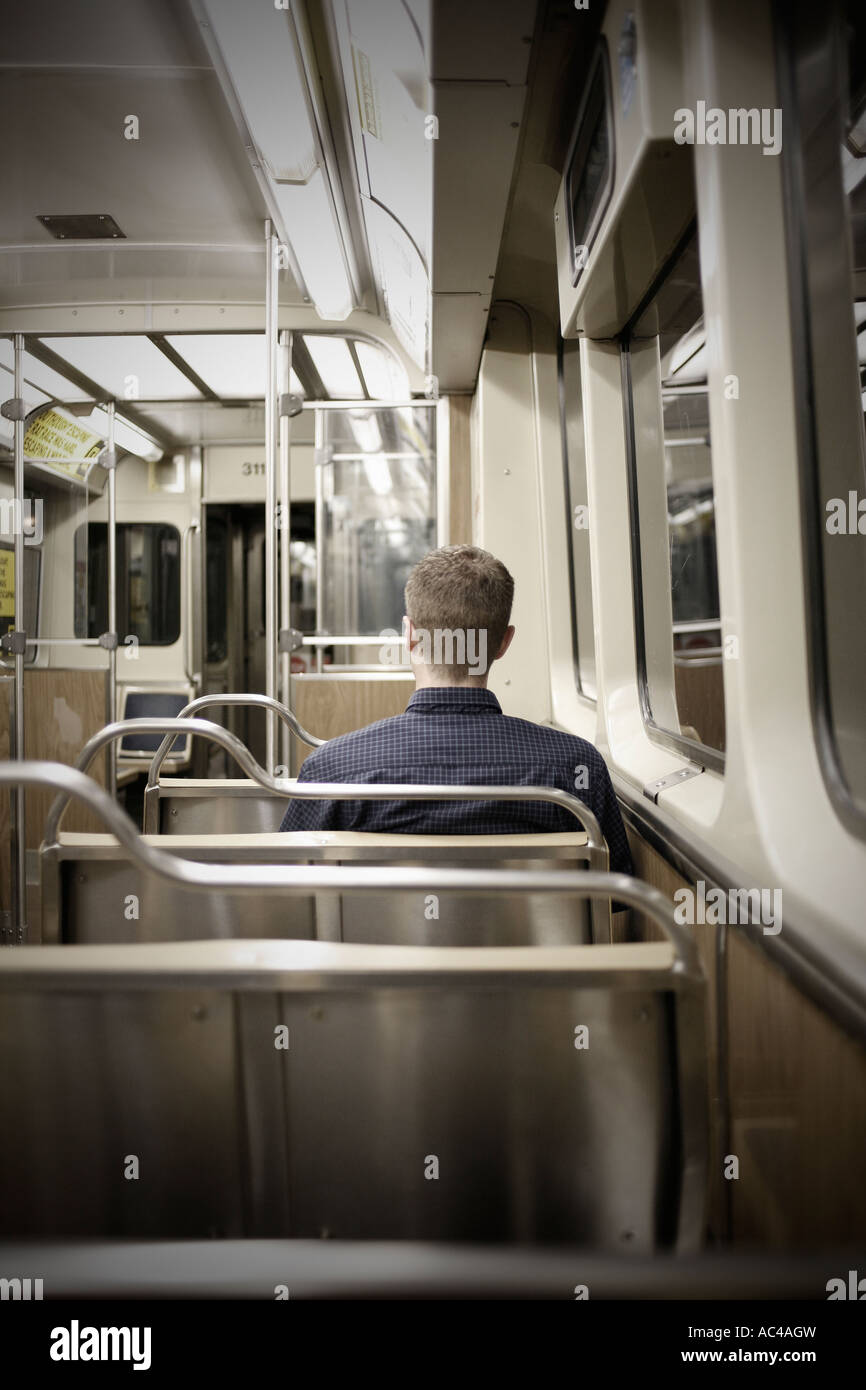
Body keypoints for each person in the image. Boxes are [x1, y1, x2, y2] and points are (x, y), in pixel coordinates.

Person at [280, 545, 633, 876]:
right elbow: (612, 898)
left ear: (410, 636)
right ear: (503, 643)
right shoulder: (577, 768)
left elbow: (288, 890)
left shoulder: (333, 771)